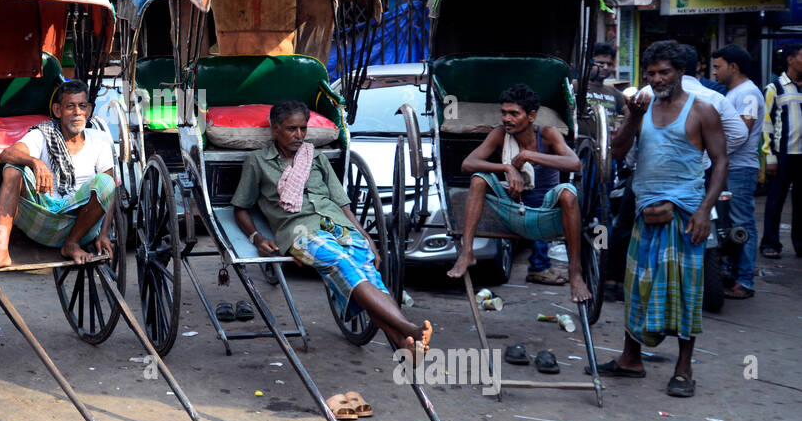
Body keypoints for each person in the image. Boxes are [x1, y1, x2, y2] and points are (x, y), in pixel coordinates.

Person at [231, 100, 432, 359]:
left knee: (368, 272)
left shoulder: (316, 157)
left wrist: (365, 235)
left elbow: (342, 203)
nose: (299, 136)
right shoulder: (258, 161)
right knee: (341, 262)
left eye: (303, 129)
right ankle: (408, 328)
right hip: (299, 231)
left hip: (339, 226)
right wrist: (257, 238)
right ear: (275, 129)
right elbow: (240, 208)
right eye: (291, 129)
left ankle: (401, 341)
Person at [604, 40, 727, 398]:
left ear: (681, 73)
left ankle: (684, 368)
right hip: (645, 209)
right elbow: (617, 150)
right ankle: (631, 358)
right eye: (652, 73)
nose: (657, 79)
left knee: (685, 290)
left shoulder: (702, 110)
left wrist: (704, 209)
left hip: (686, 213)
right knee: (637, 285)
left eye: (664, 72)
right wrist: (635, 117)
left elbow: (721, 161)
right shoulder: (640, 109)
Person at [445, 84, 591, 302]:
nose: (507, 119)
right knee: (478, 179)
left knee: (568, 192)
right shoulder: (499, 134)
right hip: (512, 209)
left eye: (514, 113)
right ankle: (467, 252)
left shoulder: (548, 134)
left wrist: (529, 157)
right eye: (504, 113)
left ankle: (575, 271)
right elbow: (468, 163)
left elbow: (574, 164)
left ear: (531, 116)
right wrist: (507, 168)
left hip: (545, 210)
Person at [0, 80, 117, 273]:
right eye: (70, 106)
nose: (77, 112)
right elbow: (6, 154)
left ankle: (71, 243)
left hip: (82, 225)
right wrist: (35, 162)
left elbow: (109, 196)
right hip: (42, 219)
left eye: (82, 106)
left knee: (107, 182)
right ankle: (1, 250)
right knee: (13, 168)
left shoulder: (99, 141)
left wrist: (104, 234)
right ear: (58, 110)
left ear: (90, 110)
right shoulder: (43, 135)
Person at [711, 44, 765, 298]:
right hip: (728, 166)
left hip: (740, 168)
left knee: (742, 223)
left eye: (718, 67)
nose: (714, 72)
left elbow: (741, 133)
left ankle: (745, 281)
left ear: (733, 67)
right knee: (728, 223)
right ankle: (732, 275)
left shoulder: (749, 94)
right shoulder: (731, 93)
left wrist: (715, 154)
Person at [761, 40, 802, 259]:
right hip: (783, 154)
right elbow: (765, 124)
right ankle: (770, 243)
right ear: (790, 60)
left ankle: (800, 244)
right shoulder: (774, 88)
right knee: (775, 201)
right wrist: (770, 157)